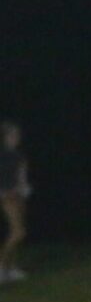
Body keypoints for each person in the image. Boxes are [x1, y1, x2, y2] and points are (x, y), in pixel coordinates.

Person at [0, 121, 30, 282]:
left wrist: (23, 191)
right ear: (5, 137)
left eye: (17, 135)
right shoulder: (5, 155)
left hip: (18, 194)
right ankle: (2, 267)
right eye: (13, 135)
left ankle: (10, 268)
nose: (17, 137)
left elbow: (21, 177)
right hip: (7, 195)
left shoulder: (18, 155)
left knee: (19, 231)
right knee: (18, 232)